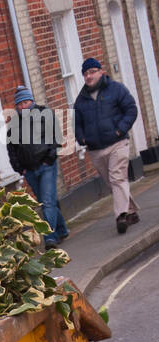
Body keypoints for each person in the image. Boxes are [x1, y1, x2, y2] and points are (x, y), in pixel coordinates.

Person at [74, 57, 139, 233]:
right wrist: (83, 139)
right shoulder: (81, 100)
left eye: (92, 72)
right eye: (85, 73)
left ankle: (121, 217)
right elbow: (76, 124)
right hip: (96, 149)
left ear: (101, 72)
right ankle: (131, 211)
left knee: (117, 178)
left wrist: (120, 130)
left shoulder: (116, 89)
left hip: (118, 143)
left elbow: (131, 109)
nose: (89, 76)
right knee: (113, 183)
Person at [6, 85, 68, 247]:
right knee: (45, 201)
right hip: (30, 170)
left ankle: (50, 238)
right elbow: (11, 148)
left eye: (26, 102)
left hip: (46, 165)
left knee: (47, 202)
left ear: (31, 101)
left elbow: (56, 137)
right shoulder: (14, 124)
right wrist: (20, 168)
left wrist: (50, 157)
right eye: (20, 104)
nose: (23, 106)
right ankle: (62, 230)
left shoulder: (45, 114)